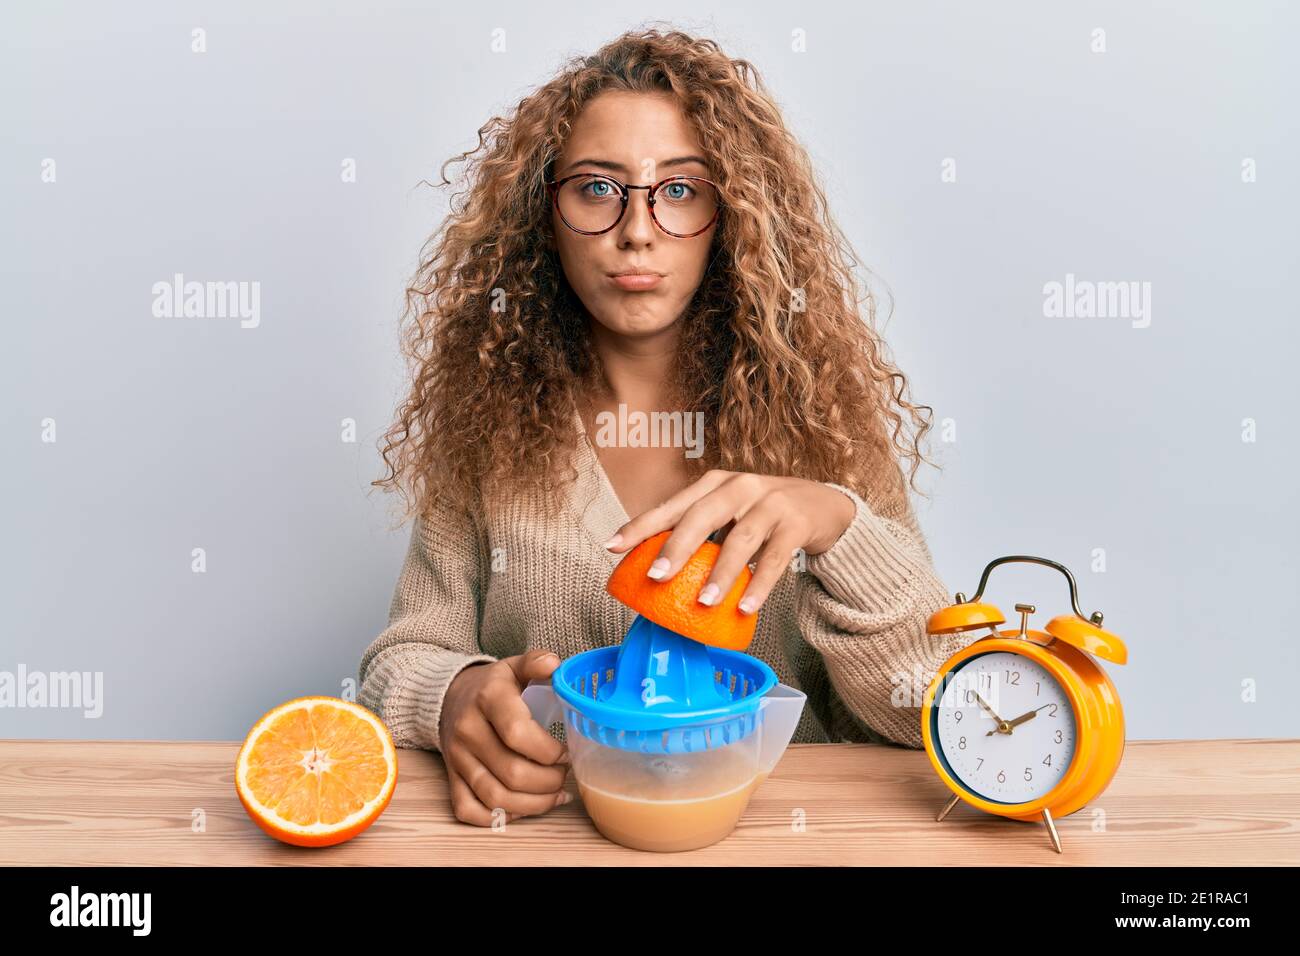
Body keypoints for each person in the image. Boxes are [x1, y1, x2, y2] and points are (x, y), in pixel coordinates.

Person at [358, 27, 974, 827]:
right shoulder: (487, 426)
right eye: (596, 189)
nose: (637, 230)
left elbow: (931, 707)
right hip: (550, 842)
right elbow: (399, 661)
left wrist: (837, 524)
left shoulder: (826, 421)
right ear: (542, 214)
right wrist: (453, 694)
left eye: (680, 190)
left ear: (734, 217)